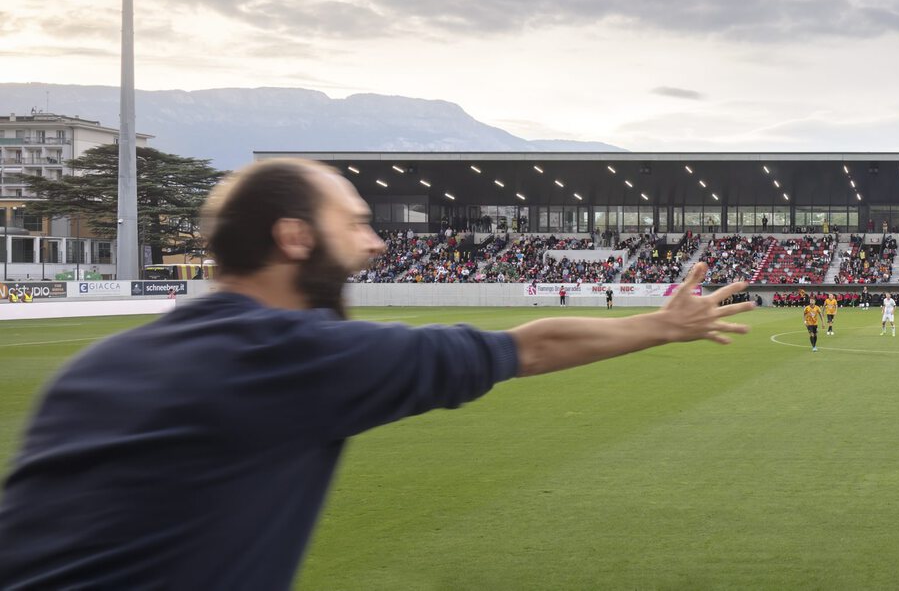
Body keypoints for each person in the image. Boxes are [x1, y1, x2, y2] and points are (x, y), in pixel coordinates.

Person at [0, 158, 750, 590]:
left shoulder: (96, 365)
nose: (379, 243)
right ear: (295, 238)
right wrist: (662, 324)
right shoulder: (305, 359)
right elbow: (532, 347)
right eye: (356, 222)